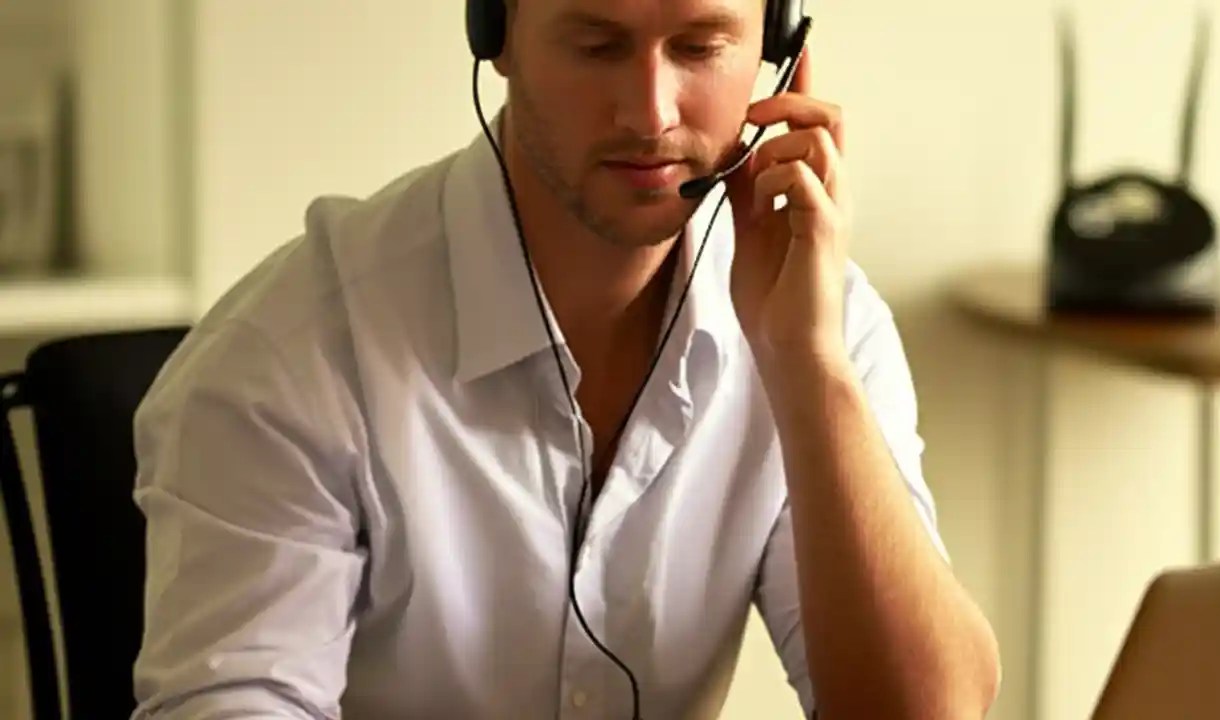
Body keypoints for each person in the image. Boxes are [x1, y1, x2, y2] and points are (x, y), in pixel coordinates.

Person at [130, 0, 1000, 718]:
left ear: (778, 44)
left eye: (701, 47)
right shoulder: (289, 355)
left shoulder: (819, 321)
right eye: (596, 45)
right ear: (495, 32)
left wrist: (808, 366)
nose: (651, 113)